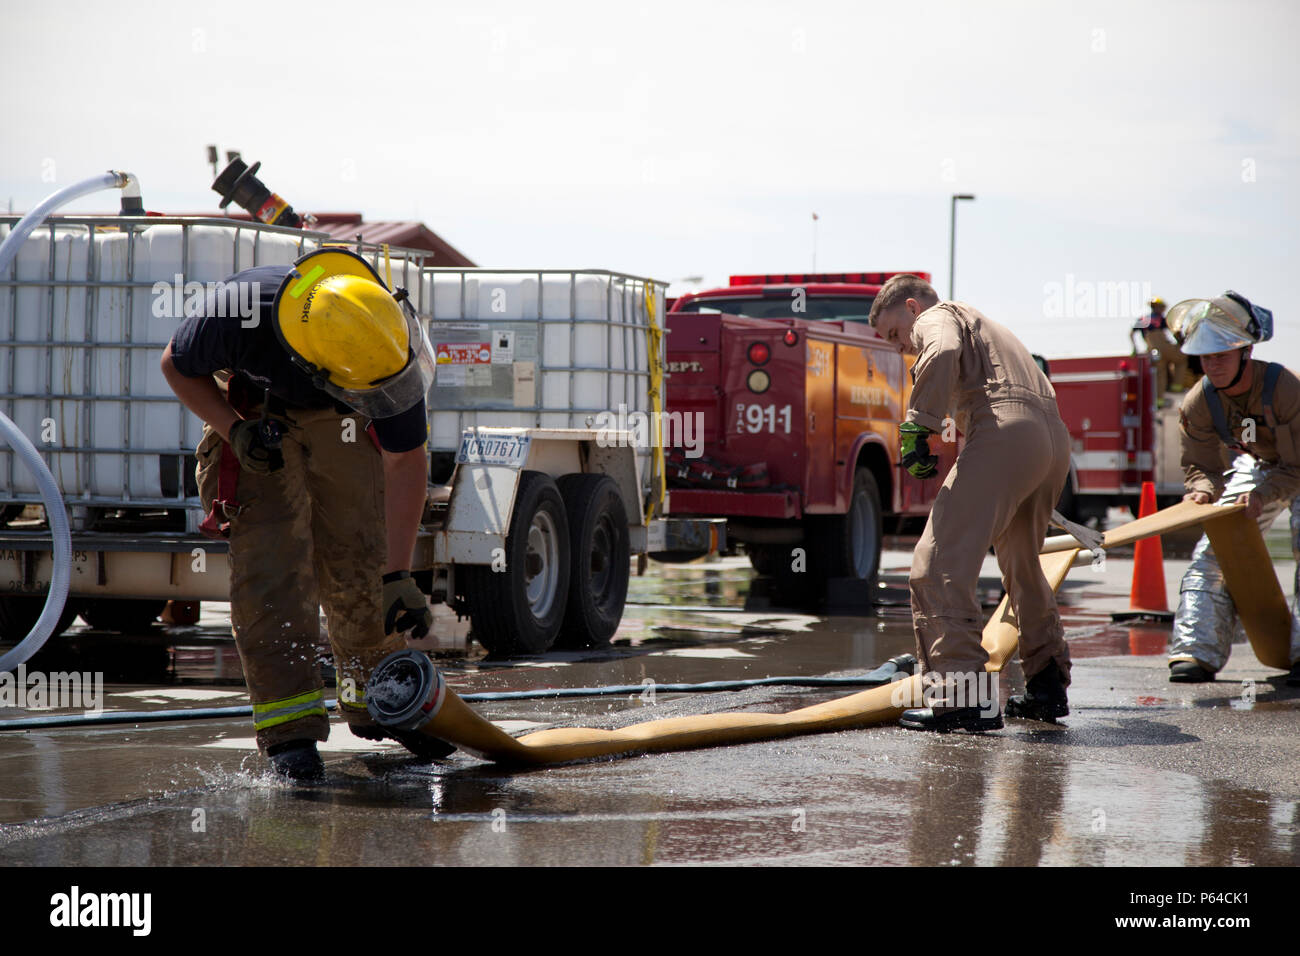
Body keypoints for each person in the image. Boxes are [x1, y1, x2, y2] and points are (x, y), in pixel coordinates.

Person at [161, 247, 448, 779]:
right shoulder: (237, 311)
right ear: (317, 365)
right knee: (274, 576)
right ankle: (289, 733)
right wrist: (233, 429)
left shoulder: (383, 342)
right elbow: (176, 365)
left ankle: (376, 703)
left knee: (359, 563)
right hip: (257, 416)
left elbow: (406, 458)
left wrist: (398, 574)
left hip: (340, 424)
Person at [869, 275, 1073, 731]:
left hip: (1004, 430)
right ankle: (1046, 687)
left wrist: (918, 425)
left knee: (935, 563)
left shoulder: (937, 317)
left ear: (910, 308)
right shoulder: (991, 327)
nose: (902, 348)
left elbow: (939, 351)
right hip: (1052, 441)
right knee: (1022, 565)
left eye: (896, 335)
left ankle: (963, 699)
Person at [1166, 290, 1300, 685]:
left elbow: (1296, 467)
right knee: (1215, 545)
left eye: (1221, 356)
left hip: (1296, 465)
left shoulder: (1285, 388)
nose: (1213, 365)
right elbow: (1200, 464)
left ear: (1246, 353)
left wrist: (1262, 495)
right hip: (1262, 463)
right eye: (1205, 357)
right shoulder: (1199, 401)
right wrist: (1202, 490)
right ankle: (1195, 651)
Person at [1131, 296, 1189, 399]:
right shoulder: (1162, 319)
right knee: (1182, 358)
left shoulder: (1143, 319)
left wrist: (1135, 349)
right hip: (1165, 347)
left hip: (1153, 351)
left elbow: (1131, 333)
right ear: (1159, 307)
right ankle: (1177, 385)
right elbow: (1175, 333)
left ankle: (1158, 400)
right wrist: (1181, 343)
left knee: (1159, 375)